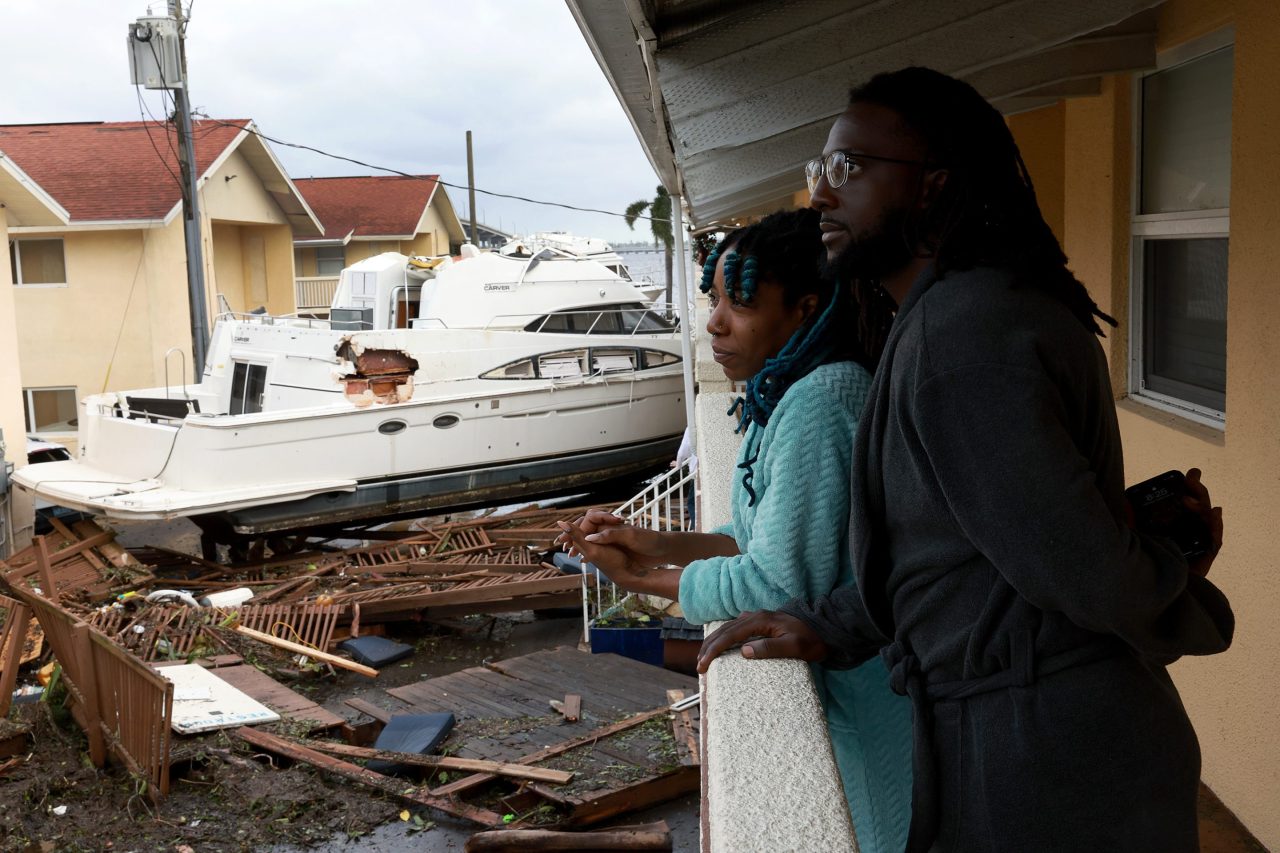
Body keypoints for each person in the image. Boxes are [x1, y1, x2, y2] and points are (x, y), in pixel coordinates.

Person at [698, 67, 1234, 852]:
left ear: (933, 187)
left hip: (1050, 771)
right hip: (1026, 744)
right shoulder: (958, 314)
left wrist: (1174, 588)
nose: (820, 195)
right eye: (820, 170)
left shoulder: (964, 335)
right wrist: (834, 620)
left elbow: (1078, 565)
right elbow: (953, 554)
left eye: (848, 168)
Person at [557, 208, 913, 853]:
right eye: (713, 299)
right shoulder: (792, 393)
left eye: (741, 304)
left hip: (871, 695)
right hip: (852, 679)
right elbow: (754, 536)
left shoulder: (822, 403)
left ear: (805, 309)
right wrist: (653, 542)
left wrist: (642, 578)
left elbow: (777, 579)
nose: (715, 323)